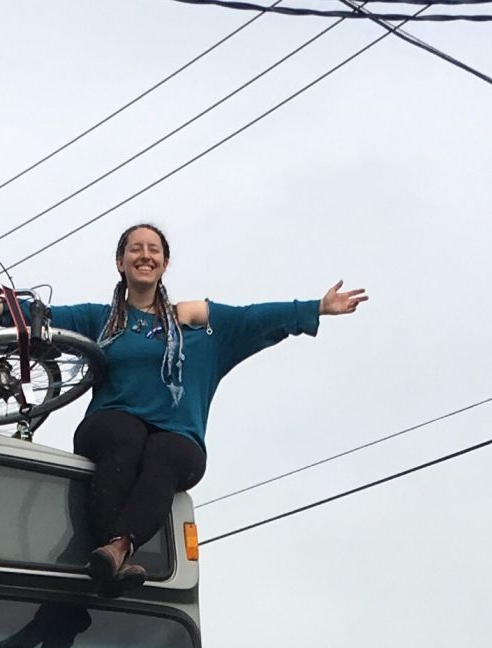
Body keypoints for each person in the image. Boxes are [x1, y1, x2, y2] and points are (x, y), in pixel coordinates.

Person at [41, 223, 366, 588]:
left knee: (168, 451)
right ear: (120, 262)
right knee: (127, 434)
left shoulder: (207, 329)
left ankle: (115, 551)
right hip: (111, 427)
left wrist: (317, 307)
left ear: (164, 263)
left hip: (178, 438)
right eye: (135, 249)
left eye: (154, 249)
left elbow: (256, 318)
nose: (145, 255)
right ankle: (113, 553)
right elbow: (43, 318)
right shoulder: (101, 319)